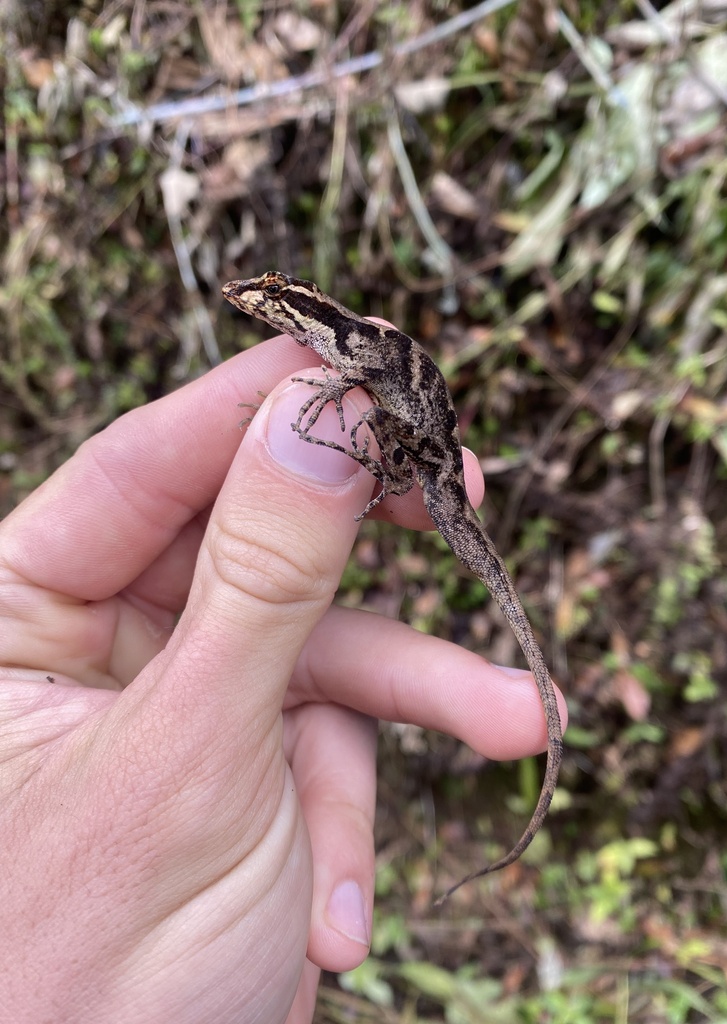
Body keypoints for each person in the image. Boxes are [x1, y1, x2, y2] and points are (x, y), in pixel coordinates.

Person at [0, 324, 566, 1023]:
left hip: (432, 455)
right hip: (423, 449)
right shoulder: (344, 351)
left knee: (390, 470)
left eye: (269, 296)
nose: (256, 305)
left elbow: (376, 376)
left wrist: (343, 404)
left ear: (298, 310)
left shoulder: (352, 346)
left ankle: (379, 475)